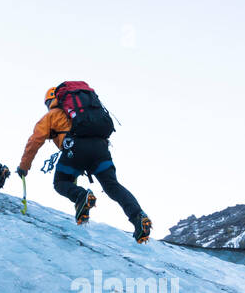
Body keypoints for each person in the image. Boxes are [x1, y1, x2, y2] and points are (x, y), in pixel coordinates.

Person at [15, 82, 152, 243]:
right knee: (112, 186)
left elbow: (35, 141)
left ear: (50, 101)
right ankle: (138, 217)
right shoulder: (83, 112)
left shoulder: (51, 115)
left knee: (61, 182)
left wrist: (24, 166)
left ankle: (82, 196)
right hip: (100, 148)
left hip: (76, 148)